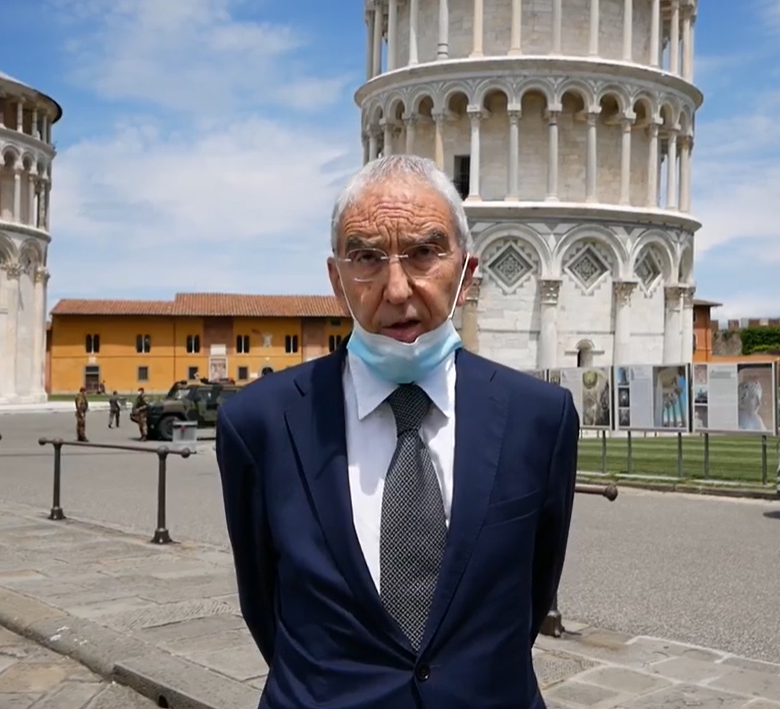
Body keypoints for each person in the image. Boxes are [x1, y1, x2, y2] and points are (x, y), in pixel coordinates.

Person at [216, 155, 579, 708]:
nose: (397, 290)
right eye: (366, 258)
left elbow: (531, 593)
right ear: (336, 281)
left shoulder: (540, 419)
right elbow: (263, 602)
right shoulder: (259, 424)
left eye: (424, 253)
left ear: (466, 273)